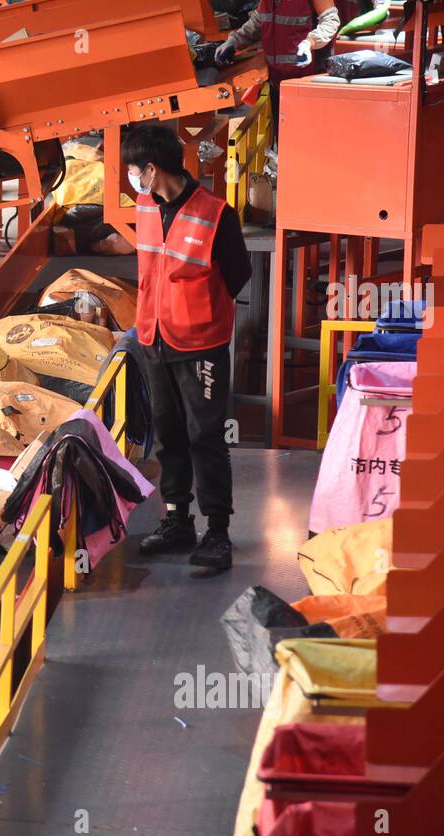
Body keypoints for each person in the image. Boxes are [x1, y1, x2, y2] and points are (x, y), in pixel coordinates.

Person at [124, 124, 252, 571]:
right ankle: (178, 520)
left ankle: (218, 530)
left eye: (135, 170)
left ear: (153, 169)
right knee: (169, 433)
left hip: (201, 344)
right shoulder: (144, 206)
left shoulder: (216, 214)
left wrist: (196, 309)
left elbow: (238, 275)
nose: (133, 178)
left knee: (205, 436)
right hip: (155, 338)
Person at [215, 0, 341, 144]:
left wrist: (310, 42)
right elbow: (258, 19)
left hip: (307, 83)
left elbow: (330, 21)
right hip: (277, 82)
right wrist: (235, 41)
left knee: (307, 142)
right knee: (284, 141)